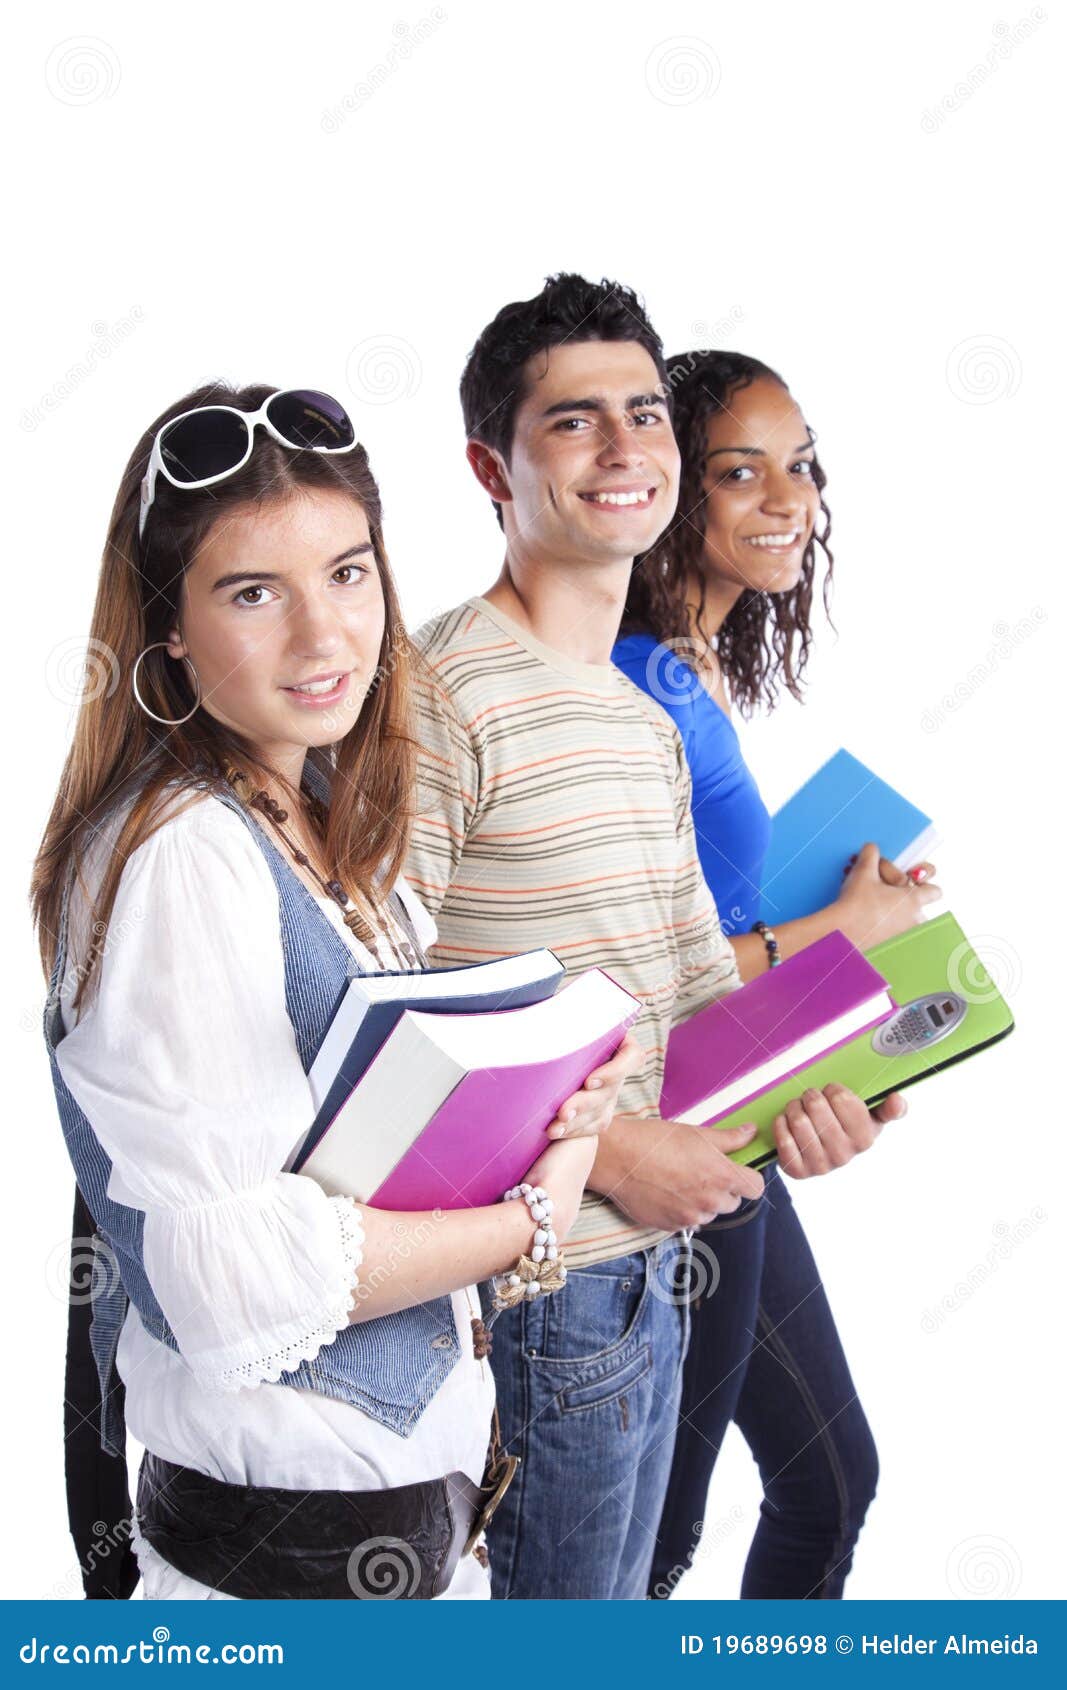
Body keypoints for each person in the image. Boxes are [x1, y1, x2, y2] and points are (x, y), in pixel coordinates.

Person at [31, 382, 637, 1601]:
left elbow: (334, 1153)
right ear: (167, 634)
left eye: (348, 573)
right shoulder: (185, 857)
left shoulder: (305, 820)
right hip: (285, 1578)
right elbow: (227, 1281)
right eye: (254, 593)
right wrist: (537, 1215)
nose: (324, 637)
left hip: (391, 1555)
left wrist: (543, 1102)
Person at [404, 277, 906, 1600]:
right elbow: (372, 1014)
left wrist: (822, 1081)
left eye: (642, 413)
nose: (625, 447)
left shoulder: (634, 717)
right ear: (491, 467)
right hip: (547, 1275)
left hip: (654, 1257)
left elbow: (682, 1004)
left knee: (663, 1574)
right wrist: (617, 1144)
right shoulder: (433, 696)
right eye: (574, 422)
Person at [615, 350, 941, 1598]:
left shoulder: (689, 670)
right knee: (654, 1536)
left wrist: (847, 951)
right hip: (663, 1153)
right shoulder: (637, 679)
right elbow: (644, 963)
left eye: (798, 464)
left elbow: (711, 916)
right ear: (667, 494)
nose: (785, 496)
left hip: (731, 1128)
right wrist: (839, 932)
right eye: (738, 470)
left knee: (826, 1479)